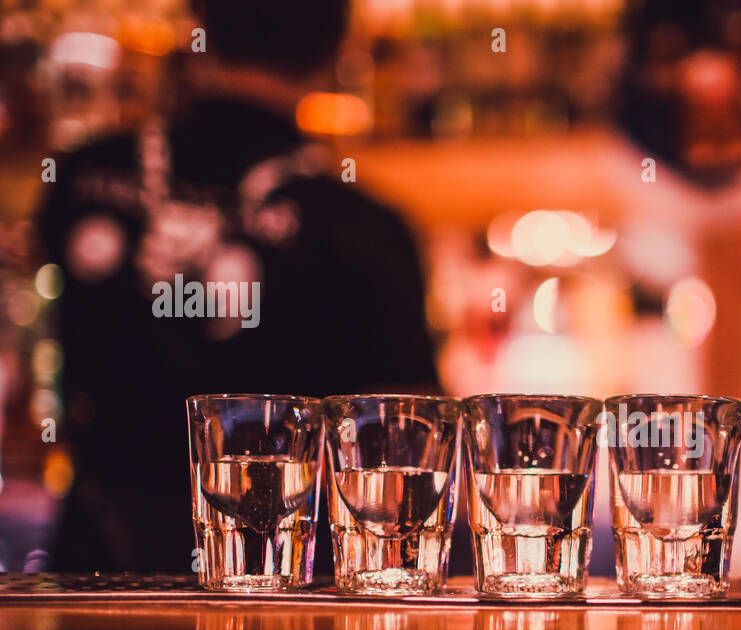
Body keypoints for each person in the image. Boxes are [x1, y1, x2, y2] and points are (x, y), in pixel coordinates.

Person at [37, 0, 439, 573]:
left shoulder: (81, 175)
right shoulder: (362, 224)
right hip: (287, 579)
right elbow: (405, 435)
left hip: (99, 570)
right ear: (338, 54)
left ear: (196, 30)